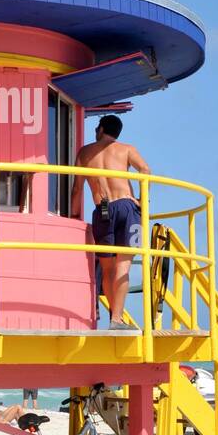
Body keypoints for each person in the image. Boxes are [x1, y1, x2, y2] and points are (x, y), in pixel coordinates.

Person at [70, 115, 151, 328]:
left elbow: (77, 188)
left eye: (97, 127)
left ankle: (115, 318)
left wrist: (74, 216)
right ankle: (116, 319)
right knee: (123, 267)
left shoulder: (85, 152)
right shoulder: (126, 149)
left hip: (102, 210)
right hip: (126, 207)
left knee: (106, 268)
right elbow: (145, 170)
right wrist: (142, 200)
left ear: (102, 128)